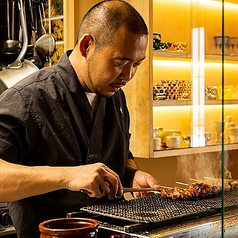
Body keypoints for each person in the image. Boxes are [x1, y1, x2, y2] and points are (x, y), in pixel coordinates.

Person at [0, 0, 160, 237]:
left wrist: (132, 174)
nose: (128, 75)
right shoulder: (28, 98)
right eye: (120, 63)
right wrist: (68, 176)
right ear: (87, 45)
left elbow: (120, 153)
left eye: (136, 64)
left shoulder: (116, 96)